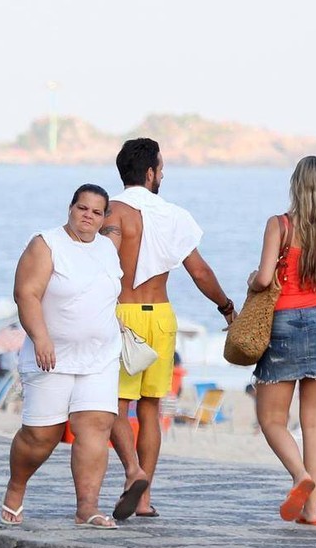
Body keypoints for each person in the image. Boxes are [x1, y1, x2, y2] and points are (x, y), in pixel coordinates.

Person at [101, 138, 236, 520]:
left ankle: (134, 472)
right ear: (149, 173)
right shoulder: (175, 215)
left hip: (123, 316)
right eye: (161, 169)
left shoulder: (112, 212)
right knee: (150, 409)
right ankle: (144, 500)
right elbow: (200, 272)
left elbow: (99, 265)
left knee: (115, 405)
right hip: (160, 315)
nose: (163, 175)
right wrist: (226, 308)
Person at [0, 184, 121, 529]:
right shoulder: (46, 243)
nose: (88, 216)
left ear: (103, 218)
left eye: (97, 212)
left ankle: (87, 507)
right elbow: (26, 294)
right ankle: (16, 487)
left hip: (100, 356)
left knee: (96, 426)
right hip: (51, 354)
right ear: (70, 209)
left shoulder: (108, 249)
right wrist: (40, 337)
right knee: (42, 435)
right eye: (82, 208)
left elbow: (107, 295)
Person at [247, 156, 316, 526]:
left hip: (285, 324)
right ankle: (314, 510)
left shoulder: (281, 226)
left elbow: (263, 278)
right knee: (314, 422)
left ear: (297, 186)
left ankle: (299, 475)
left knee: (272, 418)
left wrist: (251, 281)